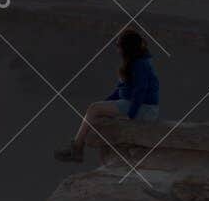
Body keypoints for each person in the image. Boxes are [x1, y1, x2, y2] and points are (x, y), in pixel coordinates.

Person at [53, 30, 160, 162]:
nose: (117, 49)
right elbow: (120, 90)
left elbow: (141, 91)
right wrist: (106, 104)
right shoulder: (135, 62)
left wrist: (131, 115)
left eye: (119, 45)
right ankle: (78, 146)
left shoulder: (140, 64)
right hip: (137, 105)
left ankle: (77, 148)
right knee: (97, 111)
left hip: (145, 109)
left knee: (93, 109)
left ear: (127, 47)